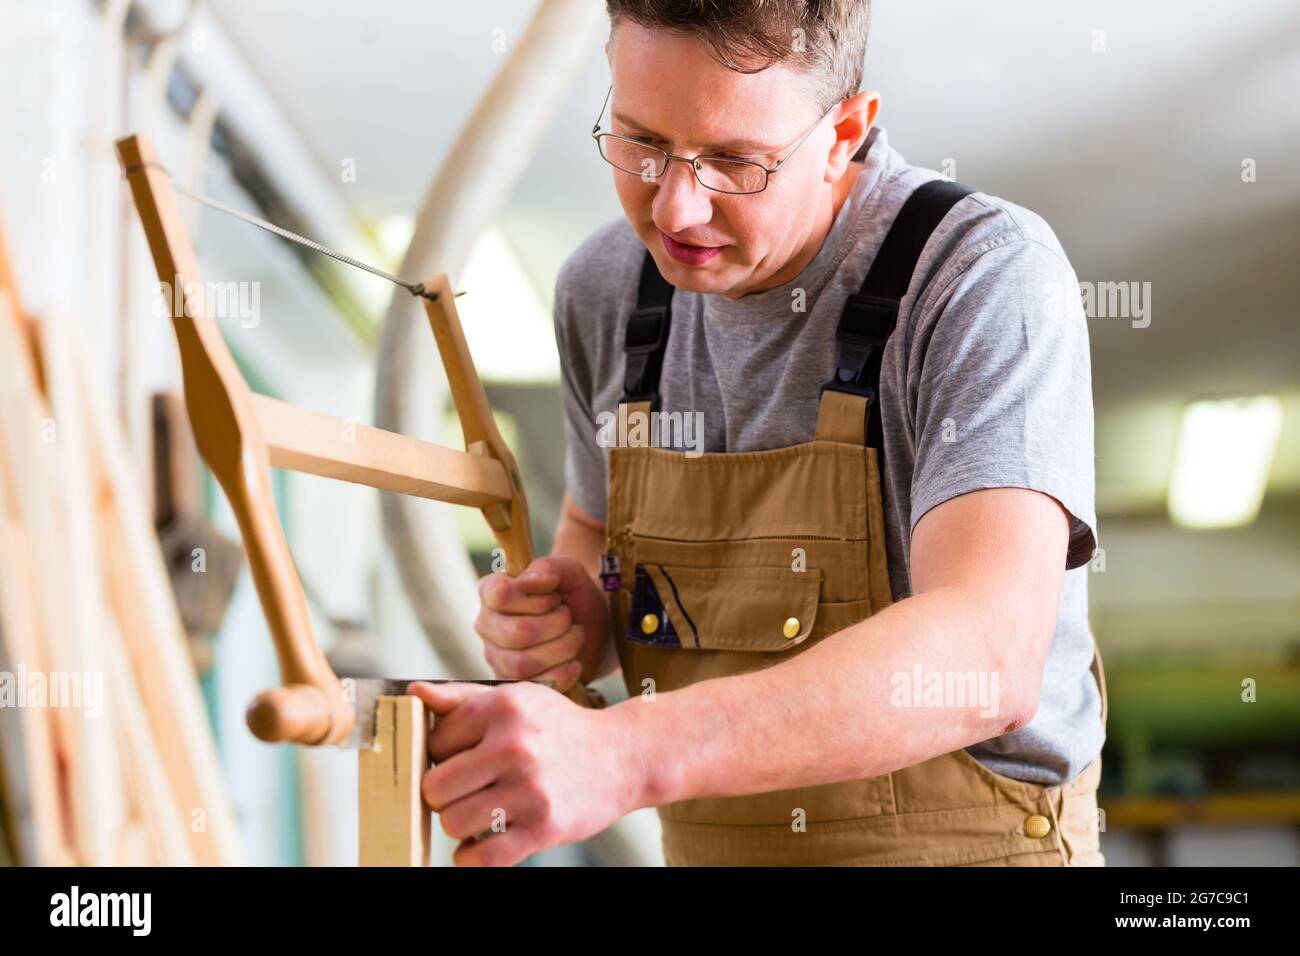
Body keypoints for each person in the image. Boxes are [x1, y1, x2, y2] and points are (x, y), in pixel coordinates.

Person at [409, 0, 1106, 867]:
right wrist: (578, 611)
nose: (676, 209)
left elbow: (985, 655)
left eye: (735, 162)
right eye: (640, 143)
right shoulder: (606, 291)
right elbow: (594, 535)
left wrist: (627, 753)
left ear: (847, 131)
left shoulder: (980, 275)